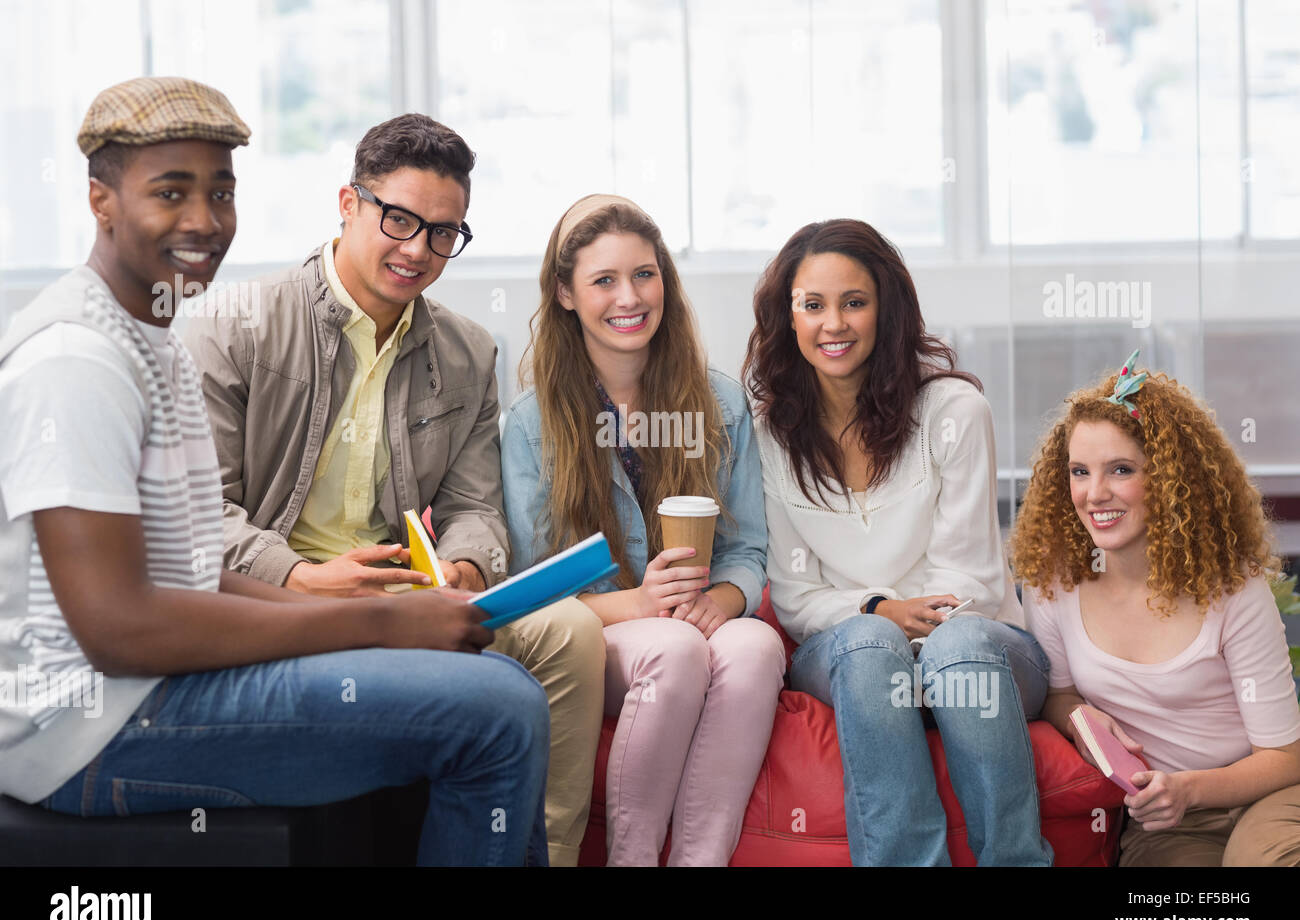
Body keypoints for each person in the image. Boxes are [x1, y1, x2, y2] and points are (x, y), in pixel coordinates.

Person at [0, 77, 549, 866]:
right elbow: (119, 629)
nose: (203, 221)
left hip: (144, 688)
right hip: (90, 728)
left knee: (498, 694)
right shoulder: (76, 358)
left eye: (220, 193)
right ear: (100, 200)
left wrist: (380, 627)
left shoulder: (145, 339)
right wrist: (376, 623)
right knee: (499, 714)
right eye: (170, 192)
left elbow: (188, 572)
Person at [182, 113, 605, 867]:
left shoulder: (469, 350)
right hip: (282, 597)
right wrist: (303, 577)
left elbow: (476, 506)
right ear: (348, 204)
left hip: (409, 590)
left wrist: (468, 571)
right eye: (400, 219)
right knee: (489, 696)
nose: (419, 250)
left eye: (444, 232)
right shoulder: (232, 325)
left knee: (571, 632)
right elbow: (197, 517)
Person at [744, 218, 1053, 866]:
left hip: (979, 648)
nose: (835, 323)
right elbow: (798, 596)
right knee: (868, 642)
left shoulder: (954, 412)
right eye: (814, 305)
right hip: (855, 654)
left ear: (886, 310)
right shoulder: (769, 432)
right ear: (788, 316)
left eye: (854, 302)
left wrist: (915, 630)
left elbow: (972, 581)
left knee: (959, 642)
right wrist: (879, 612)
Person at [502, 195, 786, 866]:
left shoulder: (718, 401)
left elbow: (749, 547)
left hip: (693, 616)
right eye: (604, 280)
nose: (629, 297)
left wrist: (719, 602)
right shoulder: (531, 423)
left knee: (755, 650)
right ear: (566, 295)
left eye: (645, 274)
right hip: (598, 630)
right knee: (673, 648)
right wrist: (639, 605)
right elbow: (527, 588)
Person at [1009, 352, 1300, 866]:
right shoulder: (1053, 582)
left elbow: (1284, 758)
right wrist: (1079, 717)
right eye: (1080, 471)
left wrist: (1188, 789)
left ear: (1169, 479)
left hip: (1268, 795)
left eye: (1121, 470)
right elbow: (1059, 696)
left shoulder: (1231, 589)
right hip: (1167, 819)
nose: (1095, 494)